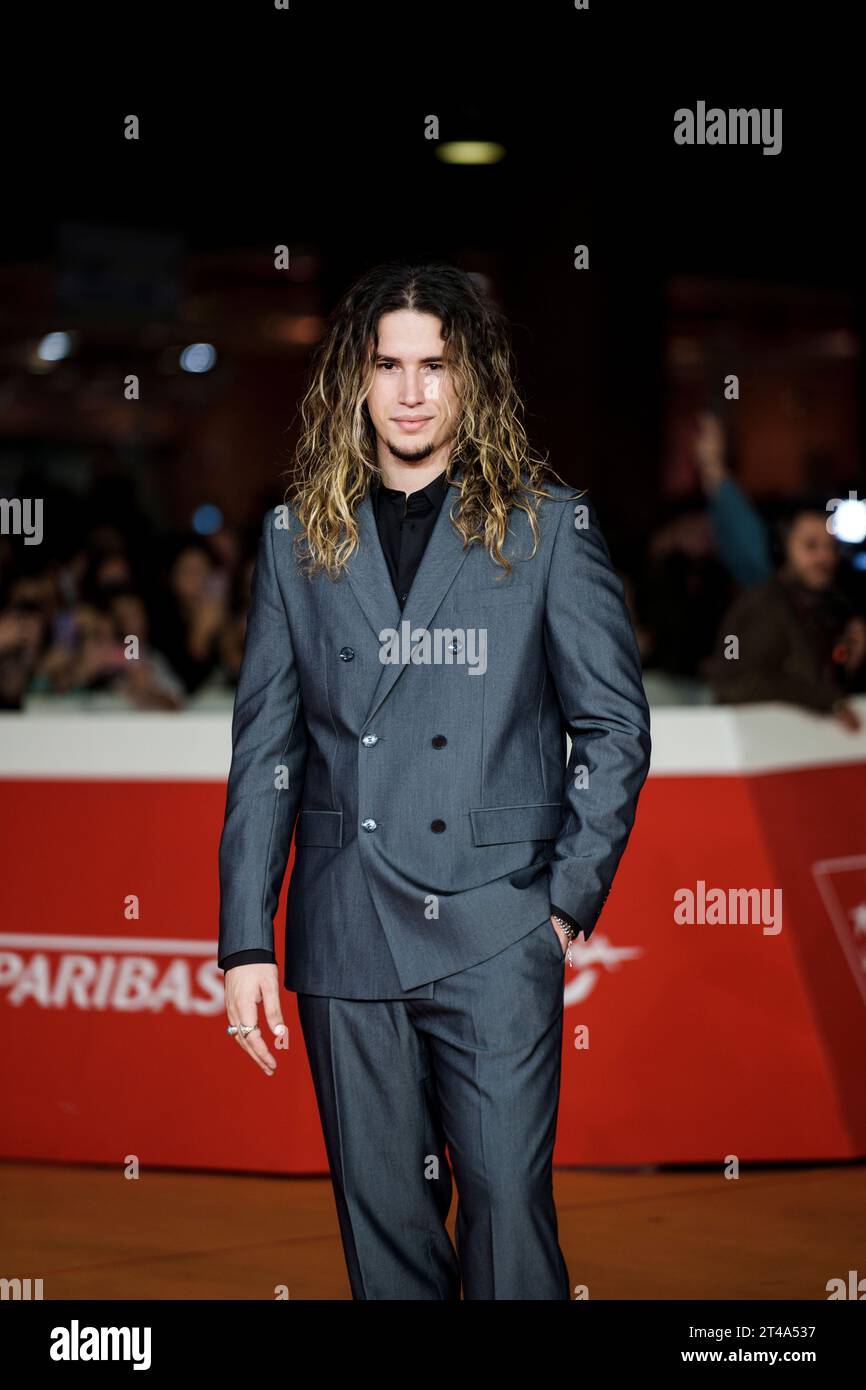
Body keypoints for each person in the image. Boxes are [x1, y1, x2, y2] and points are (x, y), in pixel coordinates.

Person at [217, 261, 652, 1300]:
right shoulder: (295, 538)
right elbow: (265, 748)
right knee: (387, 1236)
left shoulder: (547, 528)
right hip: (344, 927)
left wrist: (557, 906)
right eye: (388, 365)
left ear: (472, 380)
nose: (411, 391)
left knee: (505, 1206)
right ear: (353, 382)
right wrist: (244, 937)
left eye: (435, 366)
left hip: (496, 926)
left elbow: (612, 727)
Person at [706, 504, 865, 729]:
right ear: (782, 548)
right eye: (811, 546)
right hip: (761, 745)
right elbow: (734, 679)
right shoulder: (759, 608)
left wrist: (849, 661)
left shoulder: (832, 607)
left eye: (832, 547)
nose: (825, 557)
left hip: (805, 744)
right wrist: (826, 700)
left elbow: (822, 680)